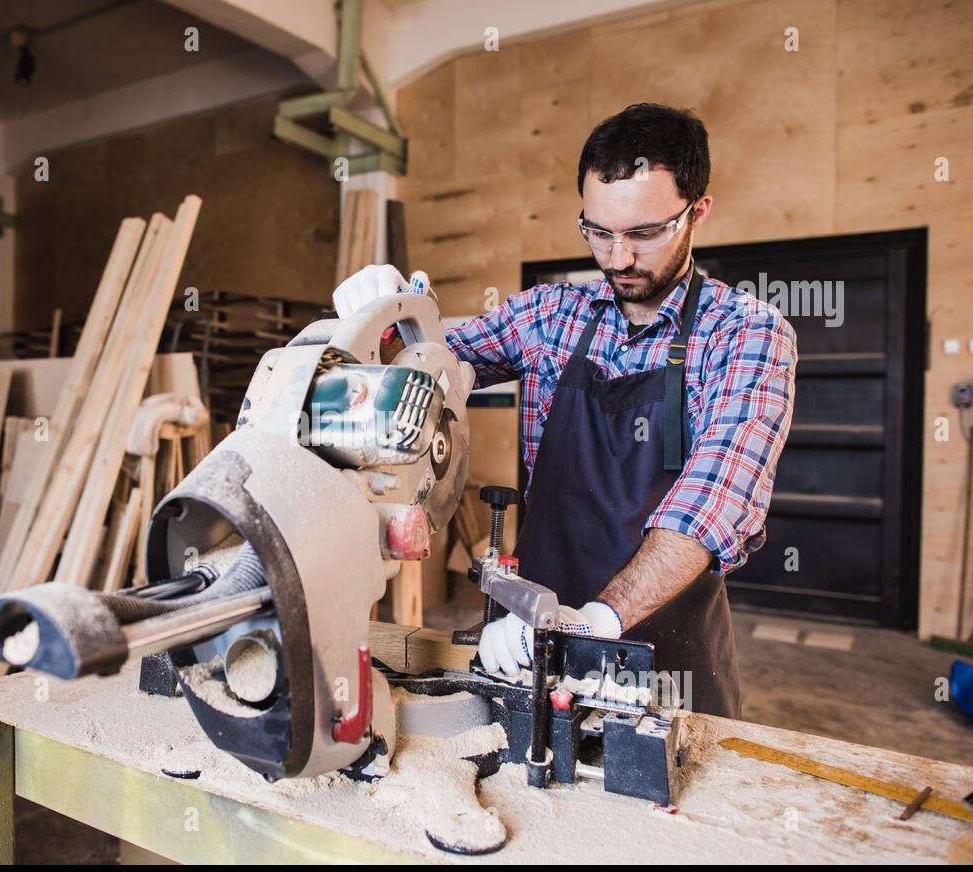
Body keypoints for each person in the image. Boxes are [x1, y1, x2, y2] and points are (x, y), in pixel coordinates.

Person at [332, 103, 797, 718]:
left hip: (667, 663)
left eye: (644, 233)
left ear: (697, 212)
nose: (620, 259)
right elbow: (432, 368)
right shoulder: (552, 316)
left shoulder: (746, 334)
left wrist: (590, 623)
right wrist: (379, 325)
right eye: (599, 232)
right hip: (525, 644)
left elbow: (715, 501)